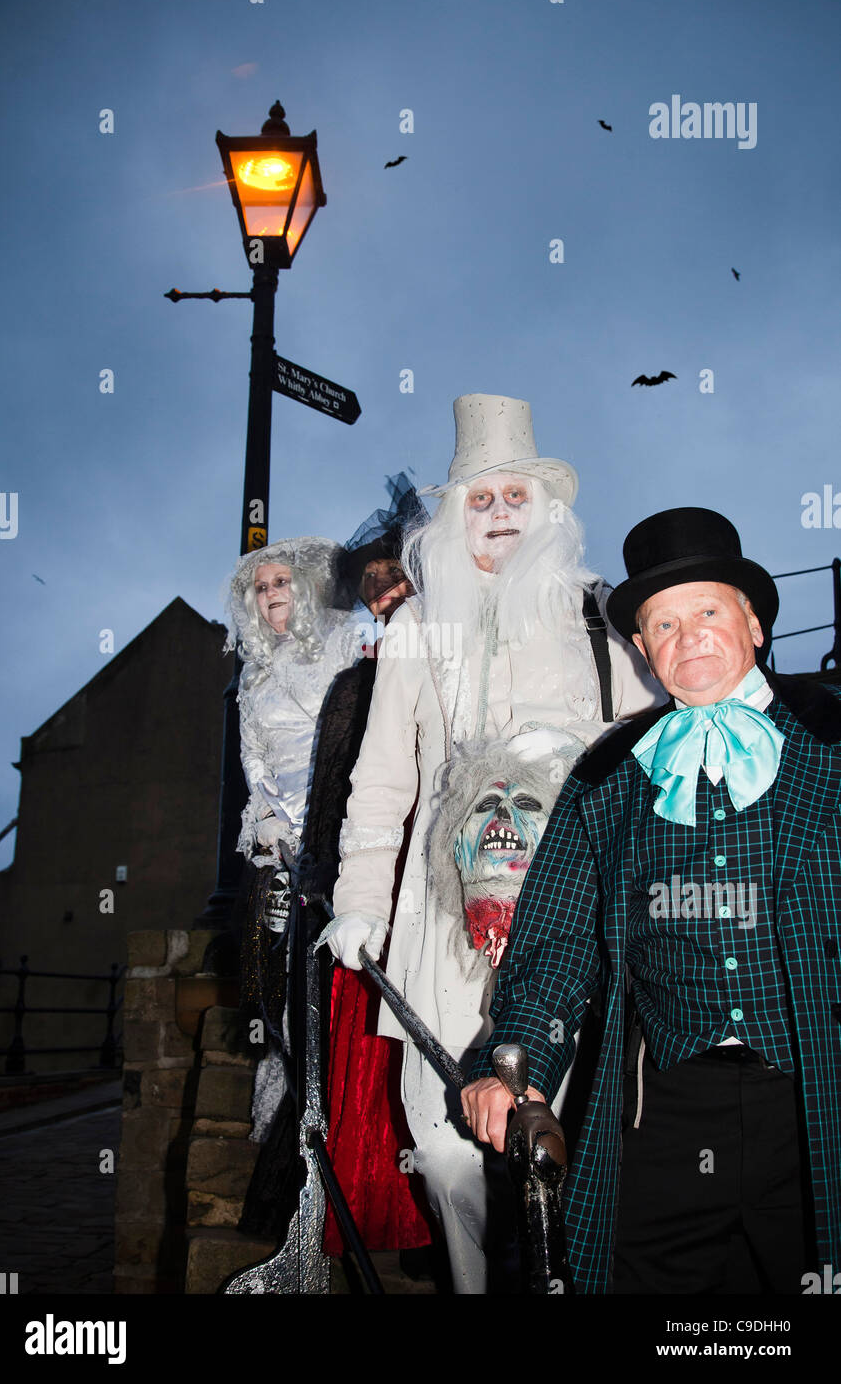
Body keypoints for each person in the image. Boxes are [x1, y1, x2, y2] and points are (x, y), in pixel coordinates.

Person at [321, 394, 663, 1292]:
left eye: (516, 495)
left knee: (563, 1144)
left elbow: (653, 769)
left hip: (570, 919)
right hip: (441, 924)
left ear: (546, 509)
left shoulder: (600, 623)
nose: (500, 514)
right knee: (440, 1152)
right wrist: (360, 900)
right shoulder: (411, 632)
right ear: (450, 518)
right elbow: (383, 782)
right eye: (480, 499)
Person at [462, 506, 841, 1294]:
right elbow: (560, 940)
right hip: (665, 1102)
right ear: (642, 650)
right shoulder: (605, 775)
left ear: (755, 625)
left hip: (817, 1092)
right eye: (663, 624)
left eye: (708, 611)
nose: (689, 635)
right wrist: (516, 1064)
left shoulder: (834, 737)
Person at [301, 476, 435, 1259]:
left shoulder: (448, 656)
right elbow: (336, 794)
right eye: (373, 586)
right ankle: (377, 1206)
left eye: (395, 578)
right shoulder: (356, 683)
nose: (383, 595)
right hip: (372, 880)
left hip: (438, 876)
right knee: (369, 1047)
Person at [225, 535, 361, 1239]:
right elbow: (254, 760)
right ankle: (286, 1124)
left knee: (338, 989)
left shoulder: (343, 643)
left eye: (282, 582)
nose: (273, 594)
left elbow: (359, 739)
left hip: (344, 844)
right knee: (277, 988)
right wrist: (270, 827)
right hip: (284, 855)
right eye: (261, 587)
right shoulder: (253, 674)